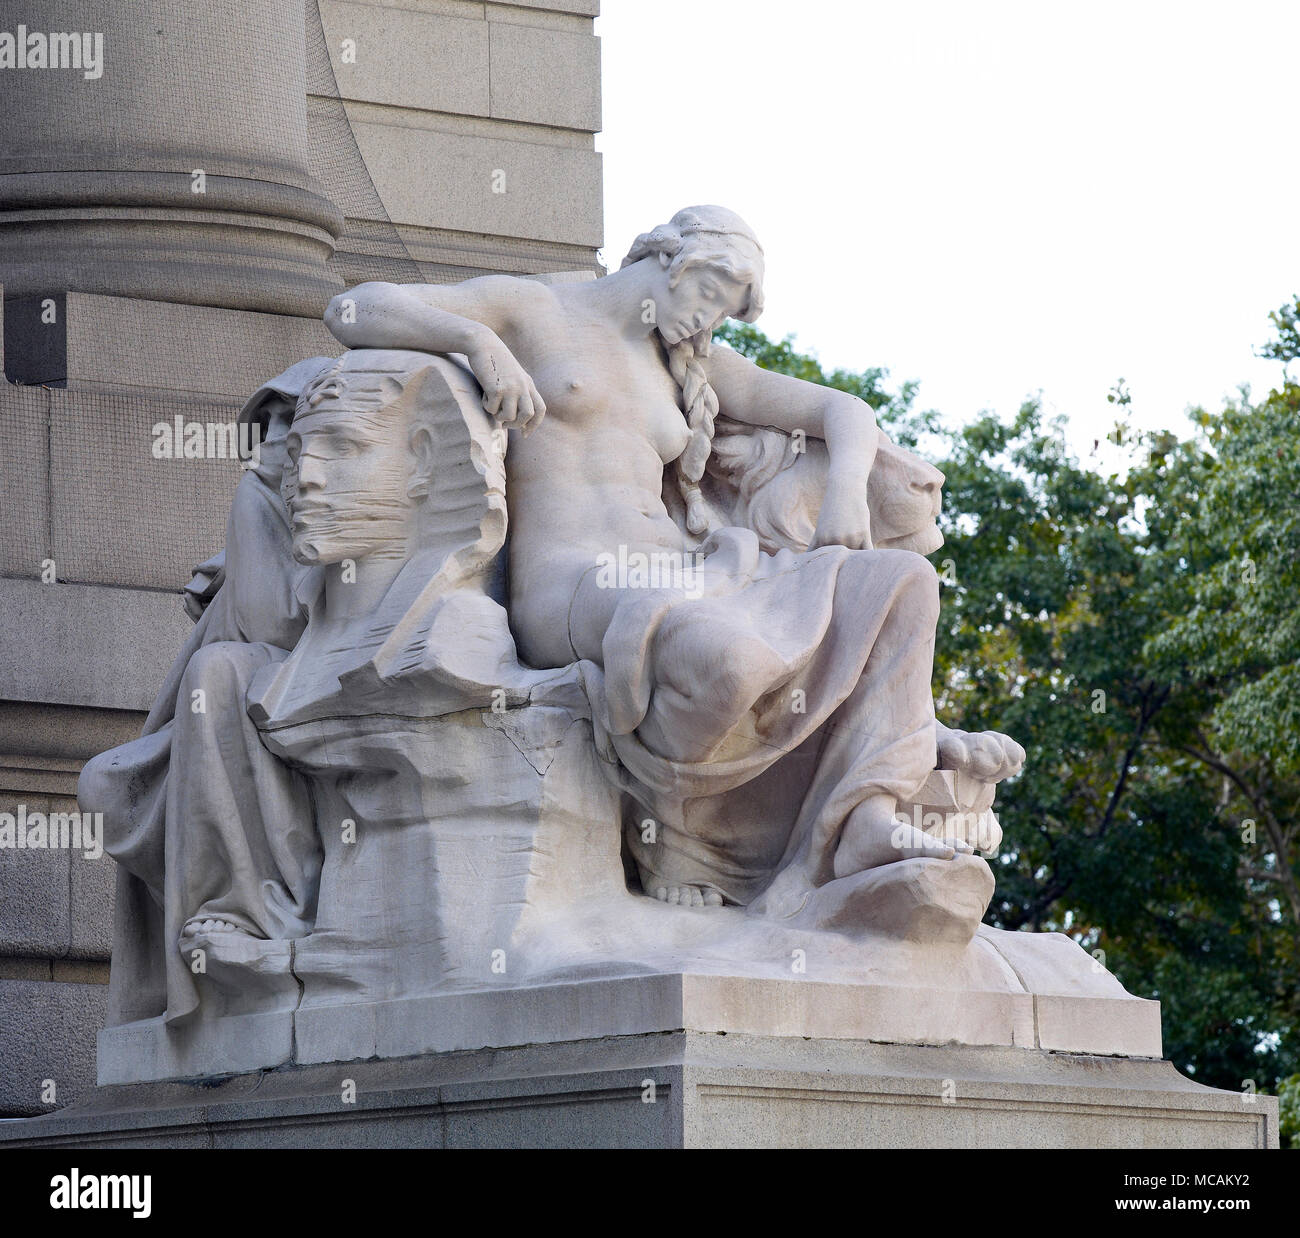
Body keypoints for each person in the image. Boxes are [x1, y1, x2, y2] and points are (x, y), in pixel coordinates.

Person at [325, 206, 1019, 915]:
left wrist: (845, 493)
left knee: (901, 580)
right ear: (673, 261)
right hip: (576, 581)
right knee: (732, 662)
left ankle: (867, 815)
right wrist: (473, 339)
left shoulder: (692, 365)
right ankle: (684, 842)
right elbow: (352, 307)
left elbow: (845, 411)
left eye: (726, 309)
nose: (708, 320)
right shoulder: (536, 312)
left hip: (694, 570)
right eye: (712, 296)